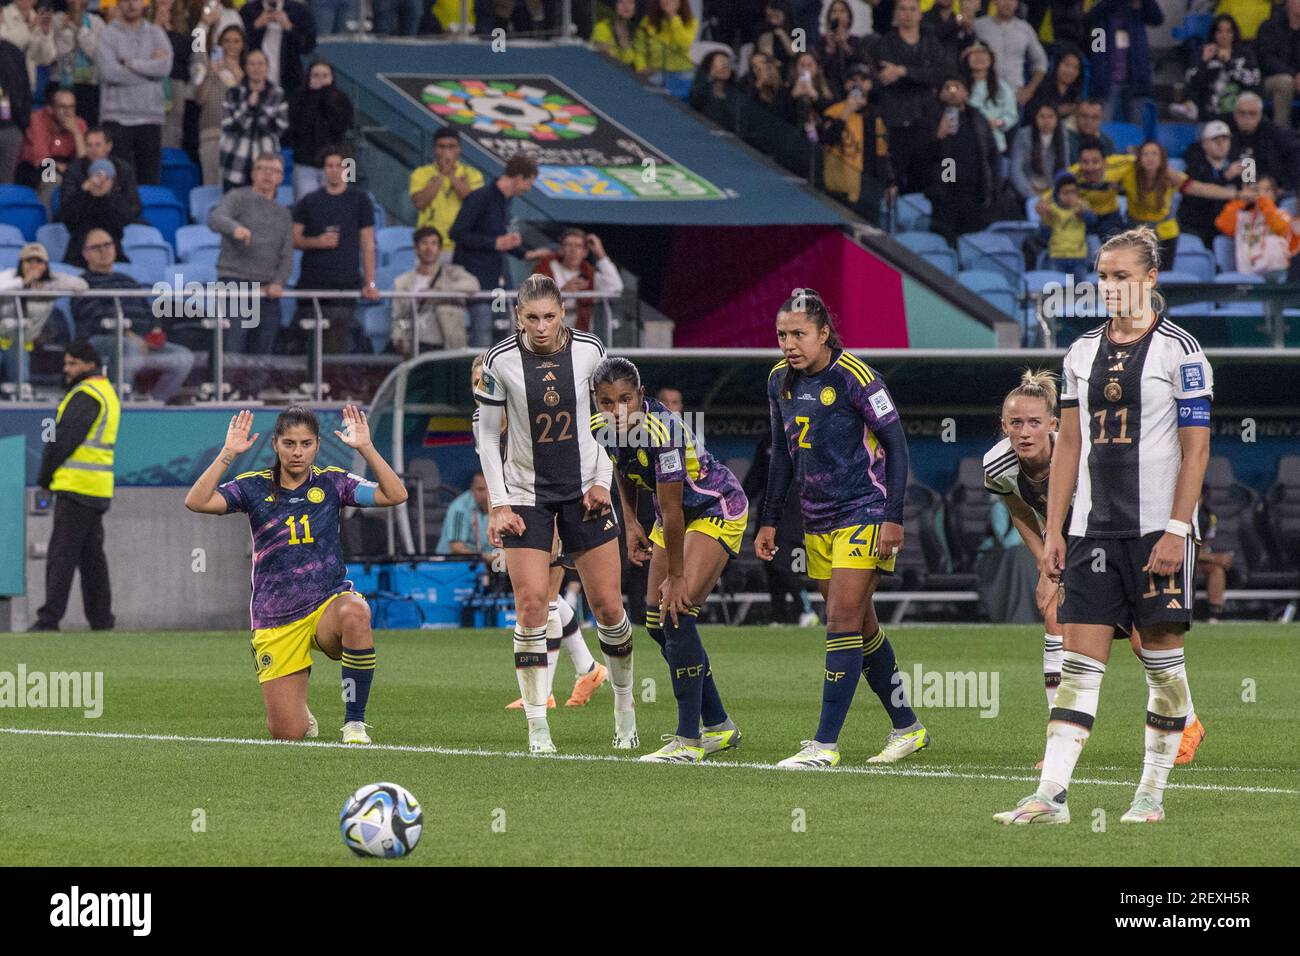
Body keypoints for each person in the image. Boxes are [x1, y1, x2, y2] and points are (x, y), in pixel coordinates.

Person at [994, 227, 1213, 826]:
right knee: (1077, 667)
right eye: (1102, 275)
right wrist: (1059, 528)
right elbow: (1069, 450)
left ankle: (1150, 795)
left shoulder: (1182, 352)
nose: (1109, 287)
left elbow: (1196, 451)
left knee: (1164, 669)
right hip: (1092, 531)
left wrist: (1177, 529)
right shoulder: (1079, 354)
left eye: (1121, 276)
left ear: (1150, 279)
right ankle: (1051, 795)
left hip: (1155, 533)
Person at [756, 289, 928, 768]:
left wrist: (893, 515)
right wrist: (769, 518)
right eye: (781, 335)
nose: (789, 344)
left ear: (824, 333)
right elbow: (781, 454)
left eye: (798, 334)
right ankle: (908, 728)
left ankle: (825, 744)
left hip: (865, 510)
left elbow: (897, 445)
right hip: (816, 520)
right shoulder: (778, 382)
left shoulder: (856, 377)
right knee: (861, 626)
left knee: (839, 620)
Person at [473, 274, 636, 754]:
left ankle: (625, 711)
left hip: (585, 491)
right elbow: (487, 436)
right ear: (517, 317)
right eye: (531, 318)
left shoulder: (591, 350)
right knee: (530, 606)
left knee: (608, 607)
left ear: (563, 313)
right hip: (527, 494)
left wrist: (603, 482)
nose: (541, 327)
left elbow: (612, 418)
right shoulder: (499, 361)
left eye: (549, 316)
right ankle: (538, 729)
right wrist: (499, 502)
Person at [184, 405, 407, 742]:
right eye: (289, 443)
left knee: (356, 612)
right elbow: (197, 501)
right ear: (275, 444)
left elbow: (396, 494)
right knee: (288, 735)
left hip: (325, 606)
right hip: (275, 617)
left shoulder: (333, 483)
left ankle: (354, 724)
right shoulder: (253, 487)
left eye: (305, 444)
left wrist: (365, 448)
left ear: (317, 445)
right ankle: (300, 713)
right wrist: (228, 453)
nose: (297, 452)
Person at [592, 356, 746, 763]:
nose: (617, 411)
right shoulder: (601, 428)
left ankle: (688, 739)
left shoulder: (664, 432)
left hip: (714, 508)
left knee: (676, 613)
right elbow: (622, 470)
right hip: (669, 515)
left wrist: (677, 577)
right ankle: (719, 726)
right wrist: (629, 521)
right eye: (606, 402)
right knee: (654, 621)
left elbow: (676, 510)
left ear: (641, 396)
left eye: (626, 399)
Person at [470, 351, 607, 711]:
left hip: (553, 501)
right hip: (516, 508)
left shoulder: (530, 414)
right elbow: (492, 470)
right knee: (540, 597)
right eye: (475, 385)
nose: (479, 390)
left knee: (545, 595)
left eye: (481, 382)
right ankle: (587, 668)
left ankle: (548, 688)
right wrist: (493, 515)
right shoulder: (481, 420)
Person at [30, 341, 119, 632]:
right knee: (92, 558)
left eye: (72, 364)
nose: (66, 369)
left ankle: (49, 619)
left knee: (62, 554)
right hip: (96, 486)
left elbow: (62, 442)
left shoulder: (85, 395)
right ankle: (101, 619)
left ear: (89, 365)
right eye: (66, 363)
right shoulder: (106, 392)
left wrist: (44, 477)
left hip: (76, 486)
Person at [74, 229, 195, 402]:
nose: (104, 250)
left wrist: (155, 330)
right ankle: (121, 402)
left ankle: (156, 403)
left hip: (142, 342)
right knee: (129, 347)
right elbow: (97, 319)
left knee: (183, 357)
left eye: (107, 245)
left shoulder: (128, 281)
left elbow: (149, 311)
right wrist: (131, 336)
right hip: (101, 341)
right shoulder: (82, 283)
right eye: (96, 247)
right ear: (86, 254)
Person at [292, 147, 380, 367]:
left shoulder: (360, 200)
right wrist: (317, 242)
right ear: (324, 169)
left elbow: (368, 243)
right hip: (311, 283)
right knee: (306, 341)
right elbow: (295, 240)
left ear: (346, 168)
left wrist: (370, 282)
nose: (333, 170)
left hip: (345, 283)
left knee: (336, 341)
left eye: (338, 165)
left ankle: (333, 386)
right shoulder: (309, 201)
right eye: (329, 166)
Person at [207, 151, 294, 355]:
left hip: (267, 291)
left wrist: (279, 282)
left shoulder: (284, 213)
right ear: (253, 173)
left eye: (274, 171)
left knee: (263, 351)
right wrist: (234, 228)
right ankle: (227, 387)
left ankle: (256, 389)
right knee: (231, 346)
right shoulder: (237, 197)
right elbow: (215, 219)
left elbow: (287, 254)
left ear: (281, 178)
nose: (268, 175)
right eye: (262, 168)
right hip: (235, 284)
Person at [449, 153, 537, 348]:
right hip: (476, 280)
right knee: (482, 331)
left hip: (497, 282)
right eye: (529, 183)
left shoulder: (505, 202)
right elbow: (457, 233)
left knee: (503, 330)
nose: (528, 189)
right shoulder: (480, 197)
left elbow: (499, 238)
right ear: (519, 178)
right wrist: (494, 243)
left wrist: (523, 253)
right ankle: (477, 376)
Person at [1117, 139, 1243, 269]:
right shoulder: (1128, 173)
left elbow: (1201, 189)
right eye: (1146, 154)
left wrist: (1237, 194)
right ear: (1139, 158)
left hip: (1165, 232)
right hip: (1137, 229)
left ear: (1162, 158)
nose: (1150, 158)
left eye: (1154, 154)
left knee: (1163, 278)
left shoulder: (1171, 176)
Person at [94, 0, 171, 185]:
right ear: (119, 4)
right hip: (117, 119)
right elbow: (109, 73)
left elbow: (164, 69)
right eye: (126, 0)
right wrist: (149, 72)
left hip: (150, 119)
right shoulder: (107, 35)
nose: (131, 4)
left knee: (150, 183)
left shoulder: (156, 34)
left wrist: (130, 64)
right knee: (120, 185)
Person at [874, 0, 945, 196]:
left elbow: (939, 74)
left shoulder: (931, 42)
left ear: (920, 14)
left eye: (912, 9)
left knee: (924, 178)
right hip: (895, 120)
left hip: (925, 119)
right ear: (896, 13)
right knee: (893, 179)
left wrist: (904, 70)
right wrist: (919, 74)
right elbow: (887, 77)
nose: (907, 14)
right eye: (902, 9)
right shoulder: (886, 42)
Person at [0, 243, 87, 386]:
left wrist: (48, 283)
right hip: (2, 337)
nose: (33, 266)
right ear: (21, 263)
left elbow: (82, 285)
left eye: (39, 262)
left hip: (24, 342)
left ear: (46, 265)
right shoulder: (9, 277)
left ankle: (22, 398)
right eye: (29, 261)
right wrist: (23, 282)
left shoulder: (50, 284)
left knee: (19, 355)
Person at [925, 75, 998, 243]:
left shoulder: (977, 118)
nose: (952, 92)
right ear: (939, 93)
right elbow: (921, 157)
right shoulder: (931, 118)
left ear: (966, 93)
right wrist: (938, 136)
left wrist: (992, 191)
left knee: (971, 245)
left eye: (957, 87)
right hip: (944, 197)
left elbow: (991, 156)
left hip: (974, 196)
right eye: (947, 88)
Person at [390, 226, 480, 355]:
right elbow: (398, 315)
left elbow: (473, 284)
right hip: (415, 341)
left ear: (439, 249)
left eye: (434, 243)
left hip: (446, 341)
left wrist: (438, 292)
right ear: (416, 248)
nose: (429, 248)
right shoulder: (402, 282)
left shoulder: (452, 273)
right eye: (424, 243)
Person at [818, 63, 893, 217]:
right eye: (853, 79)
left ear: (869, 85)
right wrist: (847, 112)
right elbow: (827, 139)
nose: (858, 83)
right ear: (846, 85)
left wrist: (888, 183)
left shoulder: (876, 115)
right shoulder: (833, 110)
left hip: (867, 189)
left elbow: (881, 153)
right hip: (838, 188)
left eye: (863, 79)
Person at [525, 228, 623, 333]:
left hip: (578, 337)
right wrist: (563, 292)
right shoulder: (545, 269)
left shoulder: (589, 274)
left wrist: (600, 253)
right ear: (561, 249)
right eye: (568, 245)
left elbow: (616, 287)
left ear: (585, 252)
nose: (573, 250)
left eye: (578, 246)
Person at [218, 48, 289, 192]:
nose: (257, 68)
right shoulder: (234, 92)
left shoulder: (277, 93)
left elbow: (280, 127)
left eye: (260, 64)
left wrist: (259, 110)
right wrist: (248, 108)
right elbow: (228, 125)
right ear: (246, 67)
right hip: (235, 165)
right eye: (252, 64)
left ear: (267, 67)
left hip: (266, 167)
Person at [1085, 0, 1163, 125]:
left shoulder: (1137, 11)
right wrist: (1099, 77)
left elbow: (1158, 19)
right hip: (1106, 82)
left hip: (1136, 81)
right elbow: (1096, 49)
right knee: (1102, 129)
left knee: (1138, 133)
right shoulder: (1100, 19)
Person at [1172, 14, 1261, 123]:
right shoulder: (1203, 52)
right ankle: (1190, 108)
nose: (1224, 36)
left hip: (1237, 112)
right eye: (1219, 31)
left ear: (1234, 34)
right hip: (1208, 110)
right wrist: (1204, 62)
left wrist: (1228, 63)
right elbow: (1191, 82)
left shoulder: (1245, 54)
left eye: (1228, 31)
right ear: (1214, 34)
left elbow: (1253, 82)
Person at [407, 127, 484, 254]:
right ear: (434, 149)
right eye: (441, 147)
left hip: (460, 245)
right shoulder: (420, 173)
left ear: (459, 149)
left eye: (451, 146)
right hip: (430, 245)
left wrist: (451, 175)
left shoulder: (473, 174)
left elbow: (472, 201)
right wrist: (441, 174)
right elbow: (419, 203)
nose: (446, 151)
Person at [285, 59, 352, 200]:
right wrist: (315, 96)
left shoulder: (341, 99)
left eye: (324, 75)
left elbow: (340, 127)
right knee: (306, 205)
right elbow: (299, 128)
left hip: (337, 163)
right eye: (316, 75)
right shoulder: (298, 97)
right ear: (308, 77)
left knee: (338, 204)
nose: (320, 79)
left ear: (332, 77)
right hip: (305, 164)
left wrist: (326, 94)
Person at [1178, 120, 1247, 248]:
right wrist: (1225, 177)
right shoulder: (1194, 168)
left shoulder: (1239, 169)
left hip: (1228, 229)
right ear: (1204, 144)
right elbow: (1197, 198)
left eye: (1225, 140)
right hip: (1198, 229)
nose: (1221, 144)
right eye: (1215, 140)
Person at [1215, 174, 1299, 278]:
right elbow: (1222, 224)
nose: (1261, 194)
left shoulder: (1283, 214)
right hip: (1247, 274)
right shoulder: (1242, 216)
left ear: (1275, 194)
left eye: (1267, 190)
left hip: (1275, 274)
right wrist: (1241, 200)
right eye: (1256, 190)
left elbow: (1281, 228)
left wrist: (1265, 203)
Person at [17, 84, 86, 208]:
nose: (68, 112)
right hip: (34, 168)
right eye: (62, 107)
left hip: (67, 167)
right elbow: (41, 158)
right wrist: (68, 170)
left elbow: (84, 163)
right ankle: (43, 219)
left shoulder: (79, 124)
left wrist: (77, 134)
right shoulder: (37, 120)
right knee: (54, 179)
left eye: (71, 107)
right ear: (50, 108)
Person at [57, 158, 135, 268]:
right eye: (97, 177)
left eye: (106, 178)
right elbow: (67, 218)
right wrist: (83, 191)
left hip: (112, 257)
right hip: (79, 255)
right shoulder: (79, 200)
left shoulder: (116, 201)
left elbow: (124, 220)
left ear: (112, 181)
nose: (101, 182)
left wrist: (107, 196)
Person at [59, 125, 142, 224]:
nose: (93, 150)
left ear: (108, 146)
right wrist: (84, 190)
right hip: (84, 219)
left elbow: (134, 207)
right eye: (89, 145)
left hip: (116, 218)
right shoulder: (73, 170)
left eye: (98, 145)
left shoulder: (123, 169)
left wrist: (111, 193)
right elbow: (67, 206)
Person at [195, 24, 245, 187]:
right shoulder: (210, 68)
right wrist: (210, 74)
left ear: (242, 45)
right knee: (211, 183)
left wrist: (235, 71)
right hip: (211, 133)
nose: (231, 45)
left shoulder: (247, 71)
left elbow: (248, 98)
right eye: (227, 41)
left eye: (236, 41)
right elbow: (200, 99)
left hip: (238, 137)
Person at [974, 0, 1047, 108]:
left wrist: (1029, 90)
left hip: (1014, 95)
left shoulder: (1025, 29)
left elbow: (1041, 62)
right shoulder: (979, 26)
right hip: (984, 94)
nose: (1008, 3)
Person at [240, 0, 317, 97]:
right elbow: (237, 46)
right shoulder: (248, 11)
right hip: (253, 80)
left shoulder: (299, 11)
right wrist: (256, 26)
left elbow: (308, 47)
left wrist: (289, 27)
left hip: (289, 80)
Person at [1228, 92, 1300, 192]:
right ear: (1235, 114)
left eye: (1252, 113)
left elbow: (1295, 154)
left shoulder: (1275, 133)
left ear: (1260, 115)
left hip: (1273, 191)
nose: (1246, 117)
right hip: (1234, 191)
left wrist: (1283, 187)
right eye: (1242, 113)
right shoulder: (1225, 133)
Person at [52, 0, 105, 126]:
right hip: (61, 85)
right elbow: (57, 53)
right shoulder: (56, 21)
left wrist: (81, 28)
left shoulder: (96, 22)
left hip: (89, 87)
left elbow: (98, 55)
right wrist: (66, 32)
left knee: (87, 128)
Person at [1036, 172, 1095, 279]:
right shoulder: (1051, 210)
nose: (1069, 196)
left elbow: (1093, 222)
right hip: (1056, 257)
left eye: (1073, 192)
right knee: (1056, 291)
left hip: (1079, 258)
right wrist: (1046, 219)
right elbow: (1044, 236)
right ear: (1057, 194)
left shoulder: (1082, 206)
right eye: (1065, 193)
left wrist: (1083, 214)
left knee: (1081, 291)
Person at [962, 42, 1017, 155]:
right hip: (966, 144)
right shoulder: (960, 86)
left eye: (983, 53)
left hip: (994, 144)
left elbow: (1011, 115)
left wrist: (998, 122)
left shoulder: (1002, 87)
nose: (979, 57)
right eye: (974, 54)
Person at [1009, 101, 1070, 203]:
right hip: (1026, 191)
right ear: (1035, 118)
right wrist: (1032, 195)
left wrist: (1054, 194)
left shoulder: (1062, 136)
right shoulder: (1023, 135)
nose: (1046, 121)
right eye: (1042, 116)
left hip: (1052, 192)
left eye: (1050, 116)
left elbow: (1065, 167)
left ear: (1057, 119)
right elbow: (1015, 171)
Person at [1068, 138, 1127, 240]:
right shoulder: (1071, 175)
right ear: (1079, 163)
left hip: (1111, 217)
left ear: (1104, 162)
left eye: (1095, 162)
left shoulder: (1119, 165)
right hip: (1083, 217)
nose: (1090, 168)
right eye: (1085, 162)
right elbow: (1051, 194)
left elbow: (1142, 161)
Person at [1257, 0, 1300, 132]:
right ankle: (1281, 134)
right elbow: (1266, 60)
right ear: (1288, 3)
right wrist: (1294, 75)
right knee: (1285, 82)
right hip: (1269, 81)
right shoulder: (1270, 26)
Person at [0, 0, 57, 89]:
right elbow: (4, 46)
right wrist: (30, 27)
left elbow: (46, 59)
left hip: (27, 84)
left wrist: (46, 33)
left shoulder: (38, 18)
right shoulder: (2, 13)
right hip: (3, 80)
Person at [1195, 489, 1233, 623]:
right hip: (1170, 559)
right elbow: (1179, 549)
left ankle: (1214, 615)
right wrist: (1215, 557)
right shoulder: (1175, 515)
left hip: (1193, 561)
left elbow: (1202, 546)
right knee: (1216, 561)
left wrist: (1210, 557)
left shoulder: (1207, 517)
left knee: (1216, 569)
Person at [436, 470, 493, 557]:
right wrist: (489, 558)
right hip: (453, 565)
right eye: (480, 489)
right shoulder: (459, 508)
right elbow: (456, 549)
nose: (485, 494)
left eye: (490, 490)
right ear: (472, 489)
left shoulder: (503, 507)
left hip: (488, 563)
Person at [818, 0, 866, 100]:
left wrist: (844, 45)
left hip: (852, 88)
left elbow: (862, 63)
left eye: (842, 11)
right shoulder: (822, 41)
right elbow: (819, 66)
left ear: (849, 17)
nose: (838, 15)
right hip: (829, 88)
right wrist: (829, 48)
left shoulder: (856, 41)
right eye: (834, 11)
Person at [633, 0, 695, 76]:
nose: (668, 1)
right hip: (655, 72)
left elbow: (684, 44)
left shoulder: (691, 21)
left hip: (682, 73)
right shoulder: (648, 20)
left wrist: (672, 16)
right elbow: (639, 48)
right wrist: (641, 68)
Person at [0, 37, 32, 184]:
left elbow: (25, 88)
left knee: (6, 186)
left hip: (11, 127)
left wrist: (22, 124)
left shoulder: (12, 51)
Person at [1024, 45, 1084, 122]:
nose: (1070, 71)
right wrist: (1057, 111)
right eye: (1067, 65)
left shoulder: (1076, 93)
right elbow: (1029, 114)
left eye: (1075, 68)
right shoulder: (1040, 86)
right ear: (1057, 65)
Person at [688, 49, 743, 132]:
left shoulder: (735, 93)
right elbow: (693, 104)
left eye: (728, 64)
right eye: (721, 62)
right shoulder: (701, 88)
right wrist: (710, 80)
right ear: (710, 66)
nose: (725, 66)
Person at [924, 0, 976, 77]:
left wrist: (968, 30)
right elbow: (932, 36)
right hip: (930, 73)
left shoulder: (958, 18)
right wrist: (956, 22)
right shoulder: (924, 17)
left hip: (955, 74)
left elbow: (966, 48)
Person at [591, 0, 638, 68]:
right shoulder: (603, 27)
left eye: (630, 2)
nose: (626, 6)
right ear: (614, 6)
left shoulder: (638, 32)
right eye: (621, 2)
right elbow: (603, 60)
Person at [1067, 98, 1117, 162]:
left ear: (1101, 119)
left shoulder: (1107, 143)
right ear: (1076, 116)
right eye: (1084, 116)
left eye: (1095, 117)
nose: (1089, 122)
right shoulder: (1064, 140)